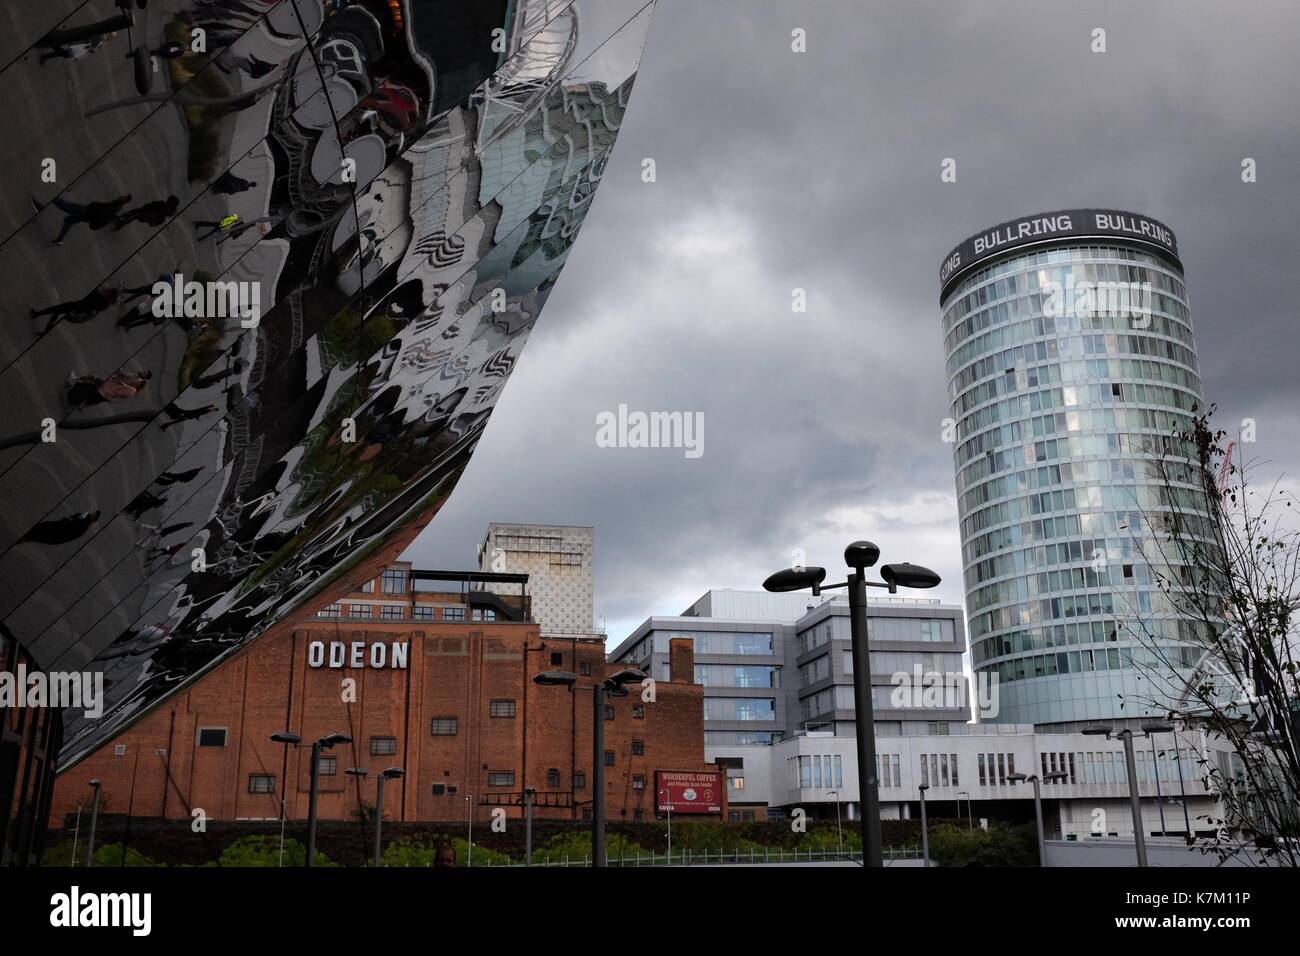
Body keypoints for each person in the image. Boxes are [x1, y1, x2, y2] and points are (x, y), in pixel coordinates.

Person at [33, 193, 131, 244]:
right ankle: (59, 240)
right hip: (87, 215)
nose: (122, 195)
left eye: (124, 196)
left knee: (60, 203)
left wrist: (93, 208)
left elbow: (102, 213)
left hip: (85, 212)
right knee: (69, 220)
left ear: (124, 200)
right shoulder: (116, 206)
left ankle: (40, 208)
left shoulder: (115, 206)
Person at [30, 285, 120, 335]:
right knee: (56, 311)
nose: (107, 288)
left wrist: (98, 291)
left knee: (55, 310)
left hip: (76, 307)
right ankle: (40, 319)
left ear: (109, 293)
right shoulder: (105, 304)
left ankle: (38, 316)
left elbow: (88, 300)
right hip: (78, 308)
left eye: (109, 289)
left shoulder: (99, 296)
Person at [19, 511, 100, 545]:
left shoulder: (83, 526)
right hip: (54, 531)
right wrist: (78, 516)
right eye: (93, 513)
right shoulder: (84, 521)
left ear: (93, 519)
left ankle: (22, 539)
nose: (92, 513)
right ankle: (23, 538)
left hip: (54, 534)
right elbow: (71, 519)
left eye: (94, 514)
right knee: (35, 532)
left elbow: (69, 527)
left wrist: (76, 518)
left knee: (35, 533)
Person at [115, 195, 179, 229]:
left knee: (135, 214)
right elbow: (153, 205)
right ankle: (122, 219)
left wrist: (148, 216)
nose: (167, 199)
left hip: (146, 214)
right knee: (135, 213)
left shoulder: (163, 211)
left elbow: (153, 222)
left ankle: (121, 222)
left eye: (169, 199)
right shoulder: (163, 205)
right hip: (145, 211)